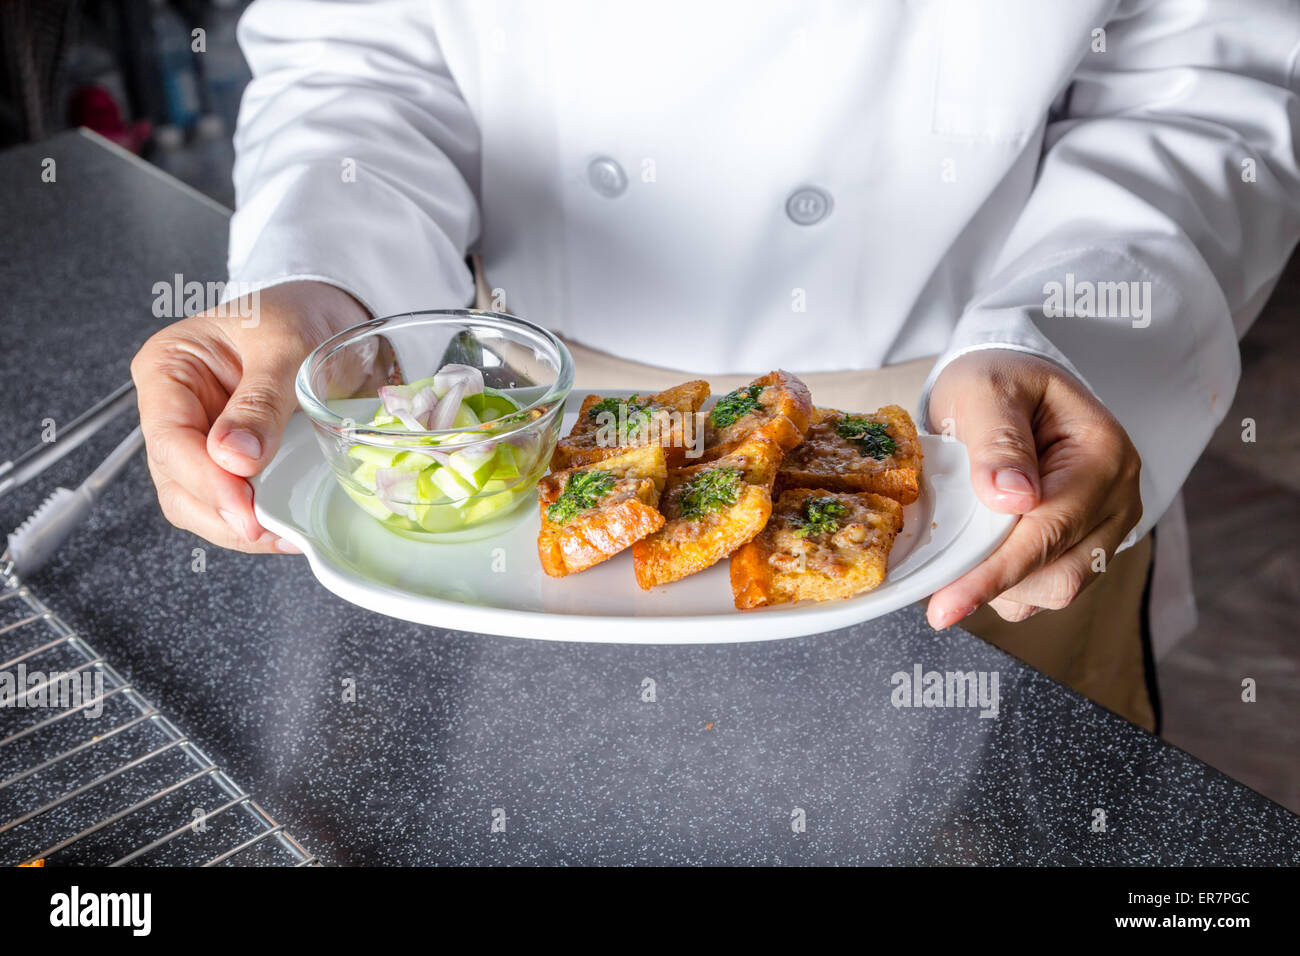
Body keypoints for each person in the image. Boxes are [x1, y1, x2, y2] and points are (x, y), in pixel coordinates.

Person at [131, 0, 1300, 731]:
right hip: (537, 458)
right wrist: (316, 298)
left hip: (987, 439)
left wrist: (1074, 330)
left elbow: (1206, 84)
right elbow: (357, 53)